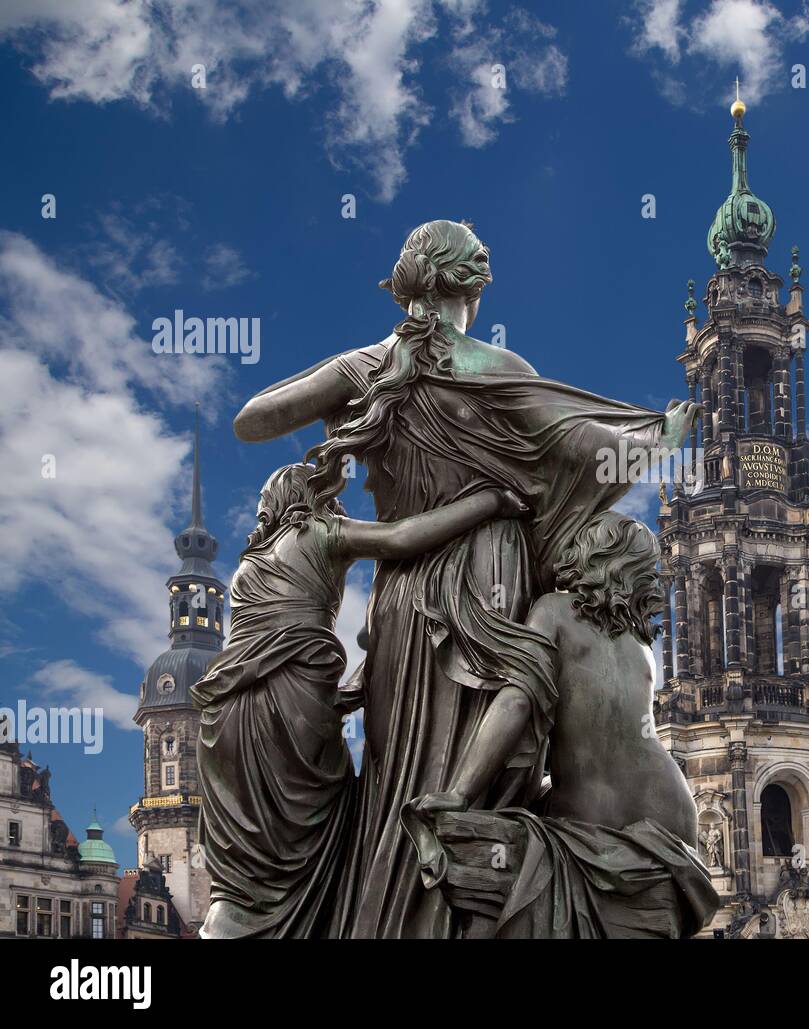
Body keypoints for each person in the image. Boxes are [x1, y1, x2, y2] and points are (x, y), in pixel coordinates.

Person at [232, 220, 697, 937]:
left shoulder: (367, 367)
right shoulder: (501, 367)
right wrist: (660, 433)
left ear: (407, 286)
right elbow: (590, 453)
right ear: (472, 289)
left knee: (396, 774)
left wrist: (357, 376)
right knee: (492, 779)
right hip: (493, 582)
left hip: (406, 593)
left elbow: (253, 420)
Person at [192, 462, 526, 938]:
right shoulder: (320, 531)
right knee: (316, 832)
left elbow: (274, 637)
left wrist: (356, 687)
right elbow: (402, 538)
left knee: (248, 873)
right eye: (329, 493)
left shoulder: (252, 559)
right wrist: (488, 501)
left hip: (224, 717)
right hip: (287, 708)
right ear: (309, 500)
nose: (340, 500)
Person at [401, 513, 718, 938]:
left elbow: (517, 700)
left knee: (499, 892)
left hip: (596, 819)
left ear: (593, 552)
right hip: (676, 823)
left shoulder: (554, 610)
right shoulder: (641, 645)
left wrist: (459, 791)